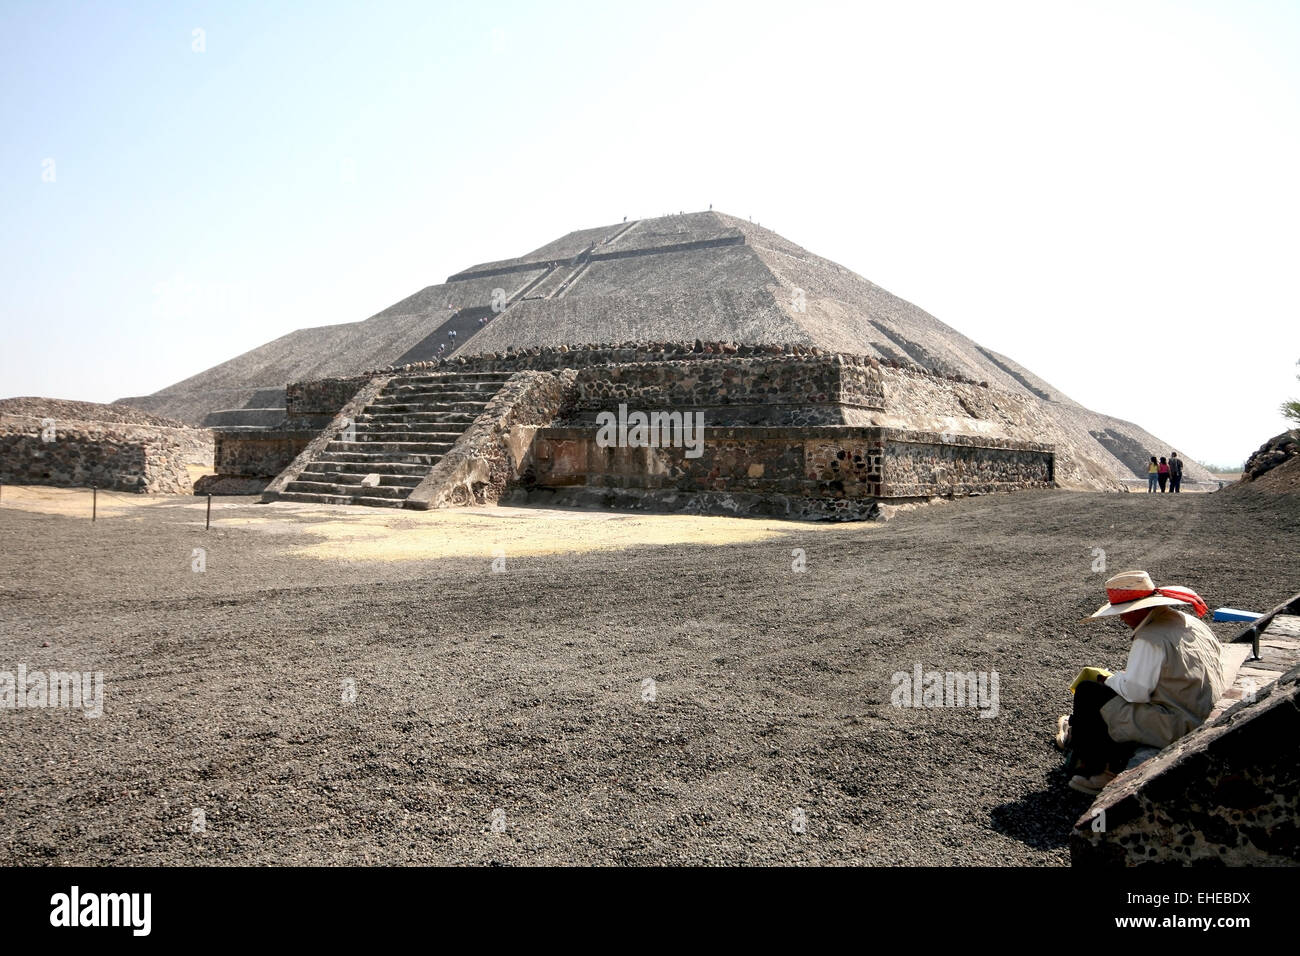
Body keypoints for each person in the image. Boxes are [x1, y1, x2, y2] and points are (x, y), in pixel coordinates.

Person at [1055, 570, 1224, 795]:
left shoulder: (1149, 638)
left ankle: (1097, 769)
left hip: (1179, 721)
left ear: (1143, 608)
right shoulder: (1187, 621)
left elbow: (1136, 693)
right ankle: (1077, 733)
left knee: (1089, 692)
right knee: (1109, 688)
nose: (1122, 618)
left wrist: (1108, 678)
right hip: (1202, 707)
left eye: (1125, 612)